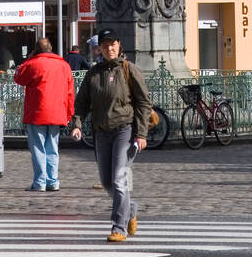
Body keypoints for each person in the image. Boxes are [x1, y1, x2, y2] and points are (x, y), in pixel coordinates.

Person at [70, 29, 152, 242]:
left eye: (112, 44)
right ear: (100, 49)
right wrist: (77, 124)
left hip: (125, 130)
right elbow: (82, 102)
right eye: (105, 46)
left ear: (119, 45)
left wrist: (141, 133)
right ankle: (130, 209)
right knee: (107, 182)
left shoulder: (129, 70)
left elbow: (143, 103)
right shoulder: (94, 73)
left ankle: (119, 227)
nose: (109, 49)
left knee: (119, 180)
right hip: (101, 132)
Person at [14, 37, 75, 192]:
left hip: (37, 111)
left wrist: (30, 58)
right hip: (57, 112)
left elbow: (19, 78)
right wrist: (69, 113)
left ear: (36, 49)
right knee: (52, 148)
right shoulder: (64, 65)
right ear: (51, 48)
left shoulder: (33, 64)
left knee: (38, 148)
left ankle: (40, 181)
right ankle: (53, 181)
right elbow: (70, 92)